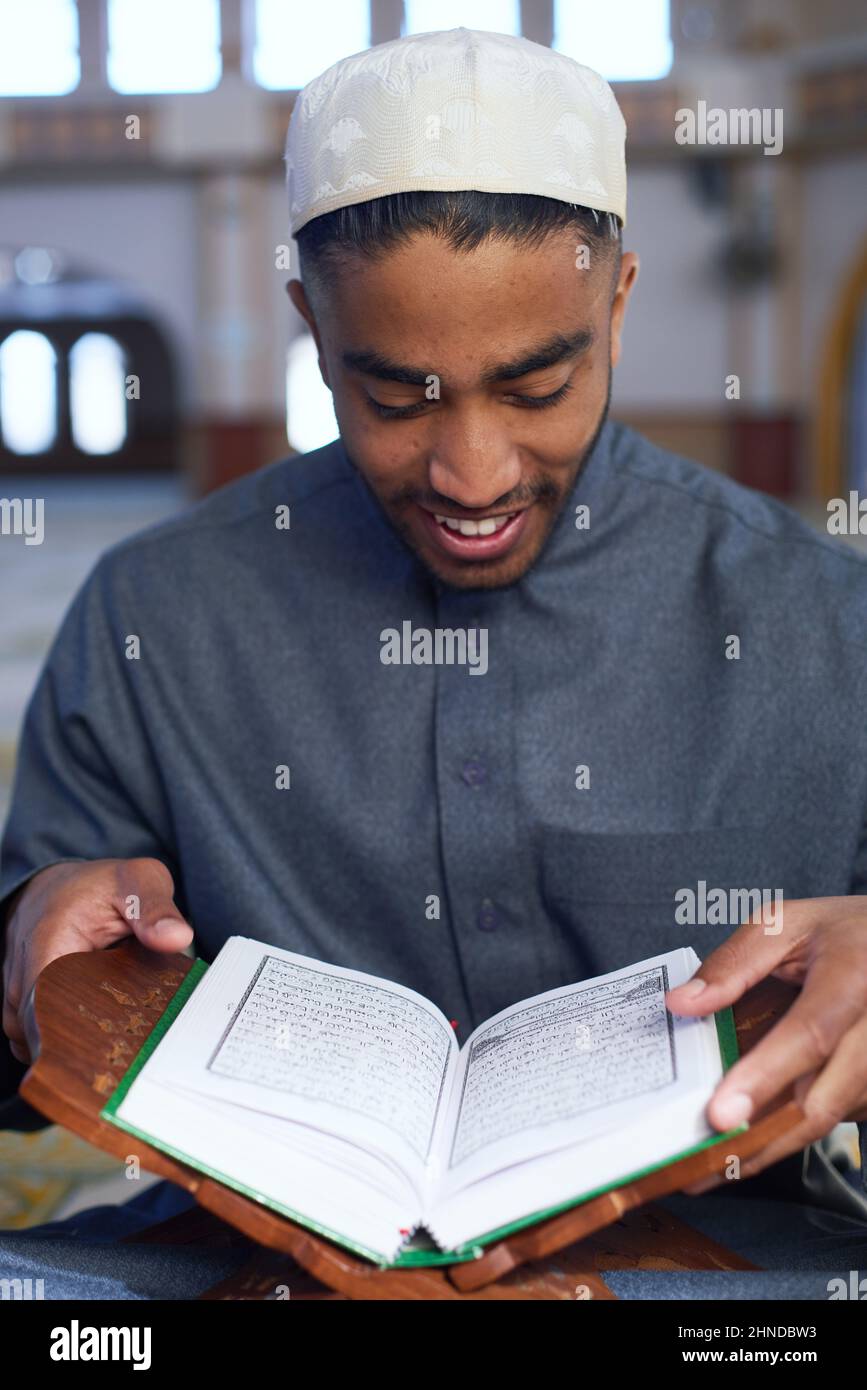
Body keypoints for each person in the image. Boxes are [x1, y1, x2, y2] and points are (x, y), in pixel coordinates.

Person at [1, 27, 866, 1301]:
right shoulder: (158, 614)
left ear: (617, 303)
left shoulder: (821, 618)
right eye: (396, 397)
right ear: (310, 324)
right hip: (245, 1276)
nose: (473, 475)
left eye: (538, 386)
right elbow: (29, 1071)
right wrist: (28, 940)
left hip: (731, 1277)